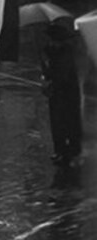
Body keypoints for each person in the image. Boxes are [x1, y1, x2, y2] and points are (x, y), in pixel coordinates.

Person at [42, 17, 82, 166]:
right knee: (57, 123)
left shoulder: (66, 53)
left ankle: (72, 151)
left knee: (69, 122)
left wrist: (51, 81)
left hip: (67, 95)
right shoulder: (48, 51)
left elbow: (63, 75)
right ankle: (60, 150)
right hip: (57, 95)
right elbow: (46, 69)